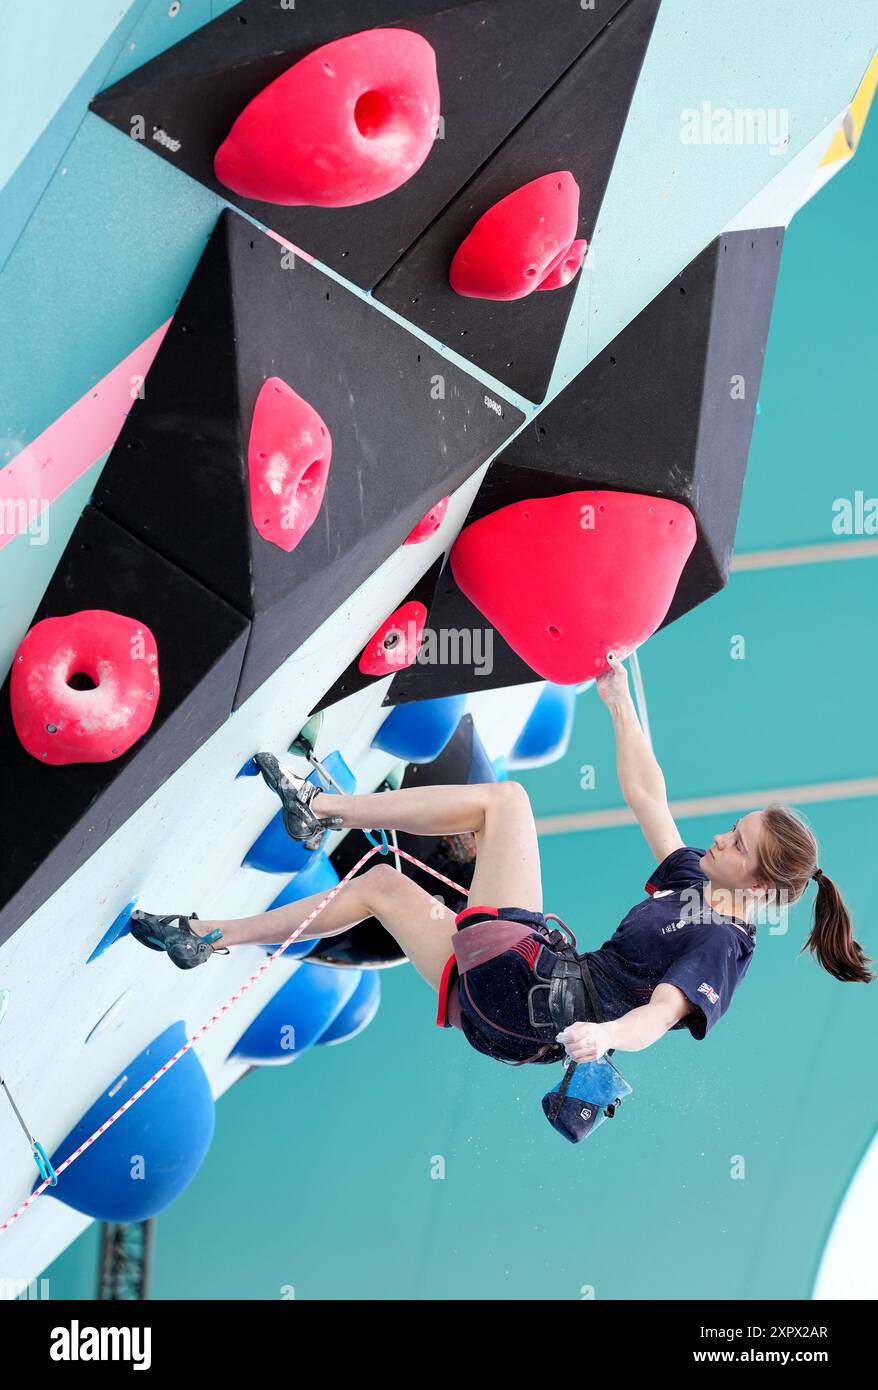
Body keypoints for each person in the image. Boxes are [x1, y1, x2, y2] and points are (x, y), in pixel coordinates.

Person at [129, 654, 873, 1066]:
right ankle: (206, 935)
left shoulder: (719, 941)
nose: (718, 840)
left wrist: (608, 1038)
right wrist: (618, 701)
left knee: (508, 803)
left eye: (736, 845)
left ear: (762, 886)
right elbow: (650, 796)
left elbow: (658, 1015)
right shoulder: (696, 889)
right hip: (496, 1023)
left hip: (540, 988)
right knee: (385, 887)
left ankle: (316, 808)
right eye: (732, 829)